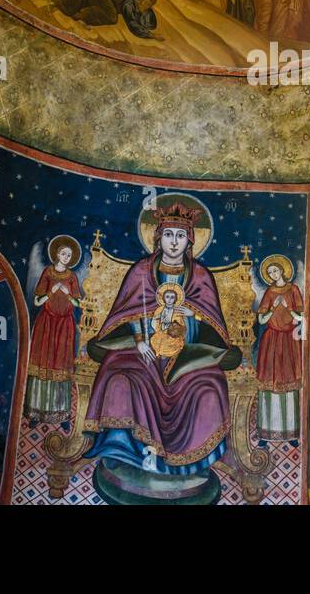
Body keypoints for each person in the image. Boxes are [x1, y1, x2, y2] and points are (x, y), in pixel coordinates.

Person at [82, 200, 241, 480]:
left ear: (190, 240)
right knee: (118, 378)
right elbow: (126, 312)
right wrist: (140, 341)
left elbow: (212, 322)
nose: (174, 242)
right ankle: (123, 454)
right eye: (168, 235)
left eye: (180, 236)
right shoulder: (141, 272)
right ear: (158, 237)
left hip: (187, 354)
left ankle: (191, 464)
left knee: (210, 387)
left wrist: (192, 313)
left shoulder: (200, 276)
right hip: (142, 351)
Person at [27, 236, 84, 425]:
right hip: (47, 324)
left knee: (61, 367)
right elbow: (37, 301)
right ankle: (36, 412)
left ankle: (61, 414)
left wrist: (68, 294)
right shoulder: (47, 273)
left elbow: (78, 303)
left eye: (69, 255)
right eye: (63, 253)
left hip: (65, 326)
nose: (66, 257)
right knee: (43, 364)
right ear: (56, 254)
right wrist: (52, 291)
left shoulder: (72, 277)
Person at [253, 255, 304, 442]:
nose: (273, 274)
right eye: (269, 273)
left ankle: (292, 433)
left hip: (289, 341)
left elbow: (301, 318)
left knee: (289, 383)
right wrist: (273, 308)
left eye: (275, 270)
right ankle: (265, 433)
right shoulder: (269, 292)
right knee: (269, 384)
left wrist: (287, 308)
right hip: (271, 341)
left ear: (282, 270)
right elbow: (261, 320)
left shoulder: (293, 290)